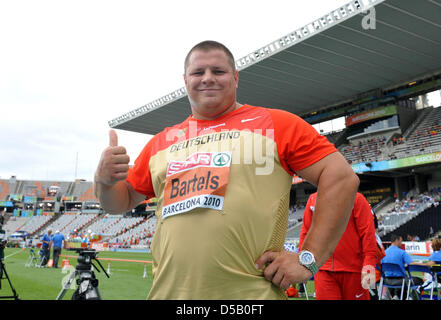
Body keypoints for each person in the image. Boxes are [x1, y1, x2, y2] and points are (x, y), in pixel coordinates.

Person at [94, 40, 360, 299]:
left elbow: (341, 177)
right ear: (185, 81)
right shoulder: (161, 142)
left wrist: (308, 258)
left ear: (235, 78)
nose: (207, 78)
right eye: (198, 72)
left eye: (218, 71)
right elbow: (122, 201)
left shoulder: (275, 124)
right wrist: (104, 182)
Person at [299, 192, 377, 300]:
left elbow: (368, 235)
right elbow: (306, 233)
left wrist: (369, 265)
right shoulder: (313, 199)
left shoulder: (357, 198)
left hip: (354, 270)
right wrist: (302, 264)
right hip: (322, 269)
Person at [381, 234, 422, 299]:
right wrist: (424, 264)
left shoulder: (384, 253)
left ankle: (394, 295)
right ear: (396, 240)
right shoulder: (402, 252)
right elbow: (412, 264)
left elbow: (381, 267)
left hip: (387, 281)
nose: (401, 243)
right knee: (419, 280)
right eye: (401, 241)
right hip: (401, 281)